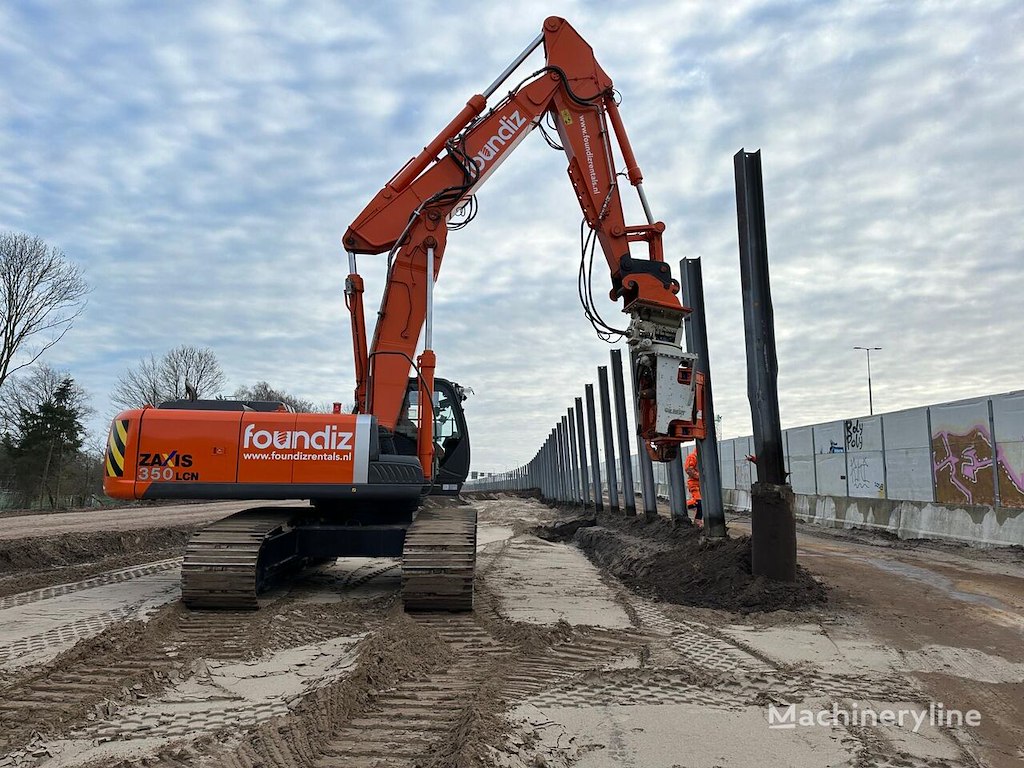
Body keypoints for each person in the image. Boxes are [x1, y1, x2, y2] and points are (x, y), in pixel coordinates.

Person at [685, 449, 703, 529]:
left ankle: (697, 522)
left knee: (701, 504)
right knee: (698, 502)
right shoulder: (692, 457)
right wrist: (700, 476)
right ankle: (683, 506)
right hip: (694, 483)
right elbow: (689, 470)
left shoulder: (702, 458)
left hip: (701, 484)